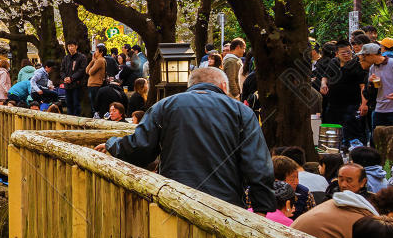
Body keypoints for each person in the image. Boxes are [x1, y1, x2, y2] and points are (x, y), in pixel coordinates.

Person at [102, 67, 274, 212]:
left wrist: (112, 144)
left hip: (175, 200)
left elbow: (139, 148)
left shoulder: (164, 106)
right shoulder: (241, 112)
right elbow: (258, 163)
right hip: (227, 205)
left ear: (190, 85)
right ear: (223, 86)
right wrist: (261, 208)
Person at [360, 42, 393, 137]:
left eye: (364, 56)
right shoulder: (373, 68)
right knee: (377, 139)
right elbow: (371, 92)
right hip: (380, 109)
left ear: (371, 55)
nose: (363, 58)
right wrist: (370, 83)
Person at [58, 41, 88, 118]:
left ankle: (76, 120)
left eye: (72, 46)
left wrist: (72, 78)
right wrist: (65, 78)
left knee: (76, 103)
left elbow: (82, 70)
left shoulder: (81, 57)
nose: (70, 48)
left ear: (76, 46)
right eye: (69, 46)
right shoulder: (66, 58)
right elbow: (62, 70)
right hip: (67, 85)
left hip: (77, 85)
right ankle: (69, 119)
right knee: (68, 103)